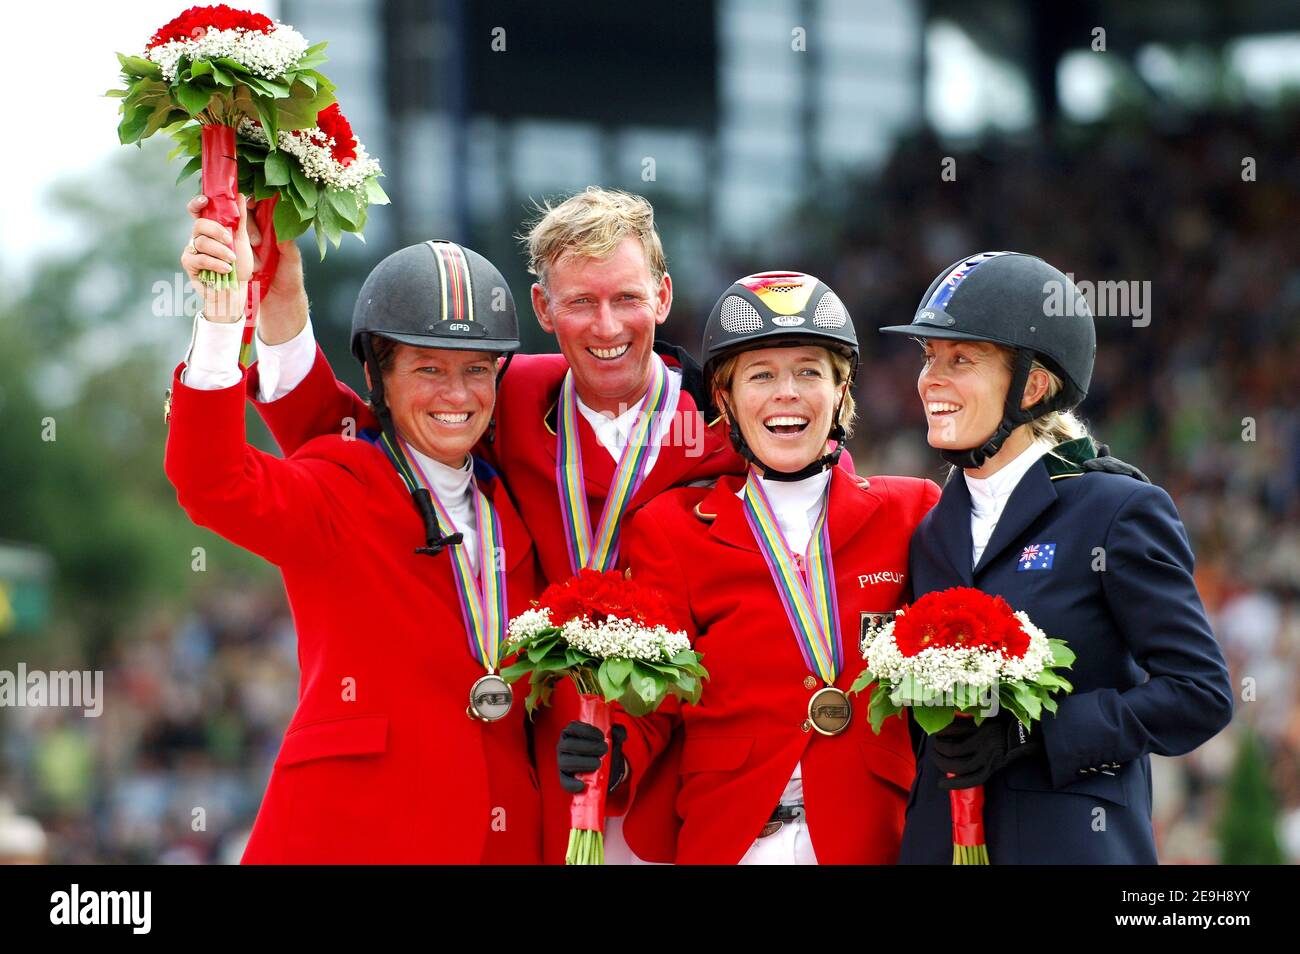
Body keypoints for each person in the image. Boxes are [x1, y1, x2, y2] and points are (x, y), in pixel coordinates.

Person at [214, 189, 851, 863]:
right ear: (544, 309)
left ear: (662, 298)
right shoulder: (501, 396)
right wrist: (280, 301)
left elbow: (820, 558)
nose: (607, 327)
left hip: (687, 778)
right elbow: (363, 439)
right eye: (580, 302)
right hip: (540, 775)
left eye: (626, 299)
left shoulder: (734, 422)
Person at [166, 197, 542, 863]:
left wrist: (284, 286)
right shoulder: (342, 482)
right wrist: (225, 320)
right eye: (429, 368)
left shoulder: (507, 499)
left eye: (476, 369)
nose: (458, 394)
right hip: (355, 831)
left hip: (504, 834)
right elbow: (212, 481)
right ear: (379, 378)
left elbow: (312, 403)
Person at [564, 272, 940, 864]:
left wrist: (1074, 472)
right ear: (725, 399)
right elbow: (654, 699)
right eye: (761, 375)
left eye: (809, 372)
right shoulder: (672, 529)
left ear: (842, 392)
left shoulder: (911, 511)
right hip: (732, 840)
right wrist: (611, 753)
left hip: (872, 837)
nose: (786, 393)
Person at [878, 250, 1234, 863]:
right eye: (928, 358)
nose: (930, 379)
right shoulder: (933, 531)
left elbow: (1200, 693)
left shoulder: (1117, 510)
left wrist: (1038, 733)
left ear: (1034, 385)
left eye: (960, 359)